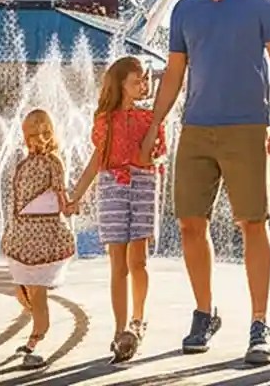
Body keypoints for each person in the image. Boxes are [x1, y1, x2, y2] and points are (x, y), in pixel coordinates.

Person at [139, 0, 270, 366]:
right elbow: (173, 74)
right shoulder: (186, 10)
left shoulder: (262, 6)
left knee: (253, 223)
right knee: (190, 223)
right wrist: (154, 124)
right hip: (196, 128)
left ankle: (260, 322)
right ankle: (204, 313)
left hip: (247, 127)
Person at [66, 57, 166, 363]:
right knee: (117, 264)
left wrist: (150, 157)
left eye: (145, 80)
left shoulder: (151, 118)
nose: (144, 85)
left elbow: (160, 156)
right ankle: (119, 329)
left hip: (143, 184)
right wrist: (76, 196)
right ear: (120, 83)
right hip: (112, 186)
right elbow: (98, 160)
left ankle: (138, 319)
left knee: (138, 260)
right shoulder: (105, 121)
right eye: (137, 80)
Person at [0, 109, 76, 370]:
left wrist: (73, 205)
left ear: (48, 134)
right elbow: (15, 201)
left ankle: (36, 341)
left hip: (43, 234)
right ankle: (37, 331)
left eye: (37, 133)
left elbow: (62, 197)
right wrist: (9, 230)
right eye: (28, 134)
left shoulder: (53, 162)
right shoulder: (23, 163)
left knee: (37, 292)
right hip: (22, 234)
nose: (32, 139)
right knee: (22, 291)